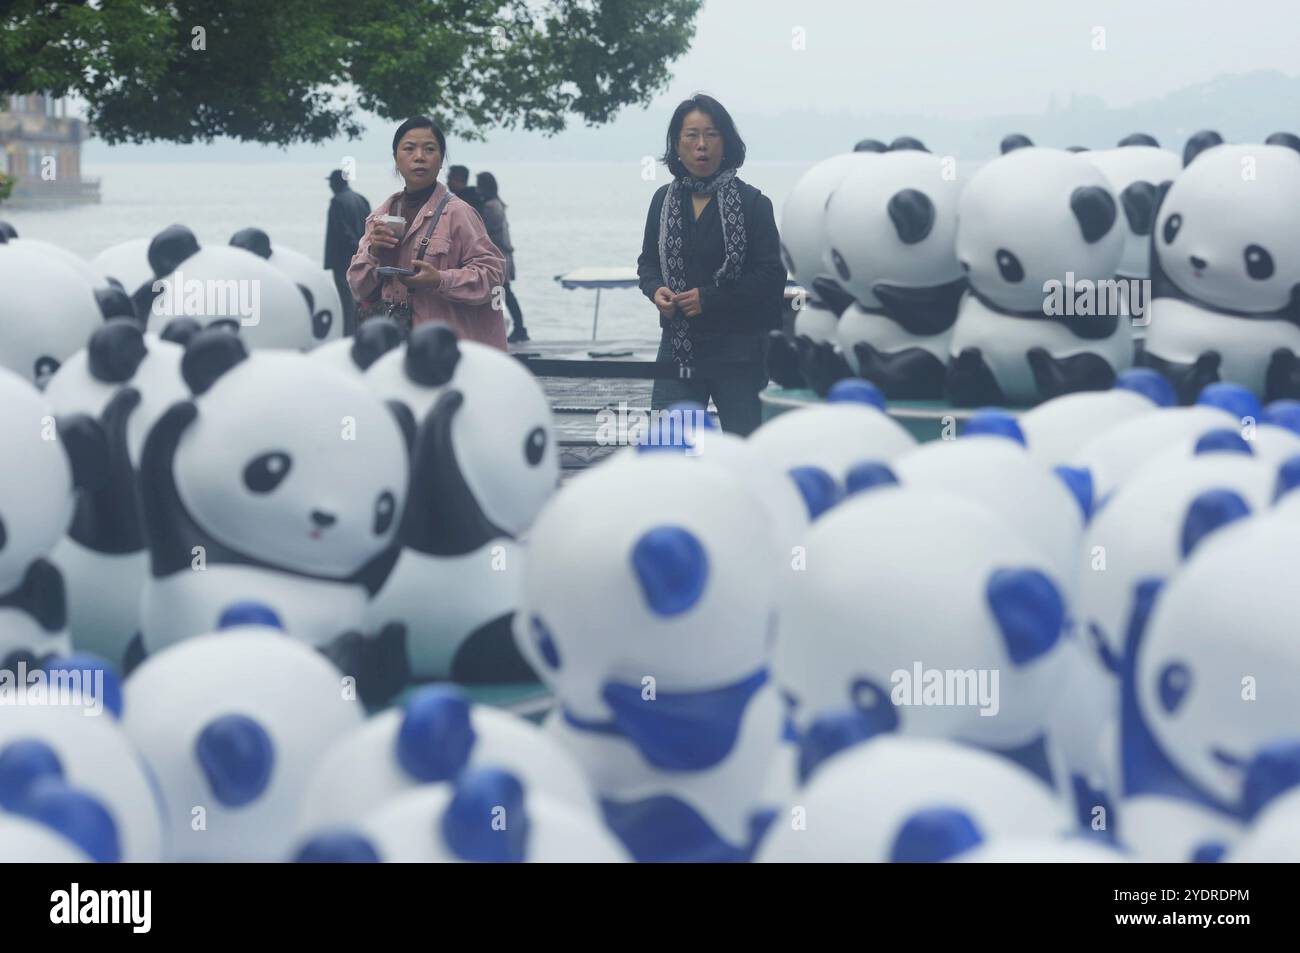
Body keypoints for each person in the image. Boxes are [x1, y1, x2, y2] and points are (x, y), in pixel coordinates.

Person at [636, 94, 786, 436]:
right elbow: (647, 263)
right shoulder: (663, 201)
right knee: (672, 445)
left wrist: (709, 298)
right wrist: (654, 289)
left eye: (712, 134)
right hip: (678, 344)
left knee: (747, 442)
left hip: (740, 349)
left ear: (726, 143)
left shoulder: (753, 203)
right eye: (691, 135)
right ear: (676, 144)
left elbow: (772, 275)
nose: (701, 145)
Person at [348, 117, 507, 348]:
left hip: (447, 350)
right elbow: (357, 287)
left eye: (429, 149)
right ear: (396, 158)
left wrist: (440, 280)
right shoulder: (380, 216)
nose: (419, 157)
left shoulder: (458, 213)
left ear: (441, 160)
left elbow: (493, 278)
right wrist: (373, 252)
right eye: (409, 149)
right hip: (395, 347)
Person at [476, 171, 529, 343]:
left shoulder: (491, 206)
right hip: (502, 257)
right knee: (503, 293)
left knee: (500, 293)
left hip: (498, 258)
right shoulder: (497, 204)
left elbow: (488, 233)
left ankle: (511, 326)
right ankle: (515, 326)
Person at [324, 169, 370, 335]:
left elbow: (342, 231)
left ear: (336, 182)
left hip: (343, 260)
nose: (329, 185)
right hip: (361, 258)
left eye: (331, 181)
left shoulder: (337, 201)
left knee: (346, 302)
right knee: (359, 300)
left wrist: (354, 248)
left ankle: (349, 336)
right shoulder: (361, 199)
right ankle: (360, 332)